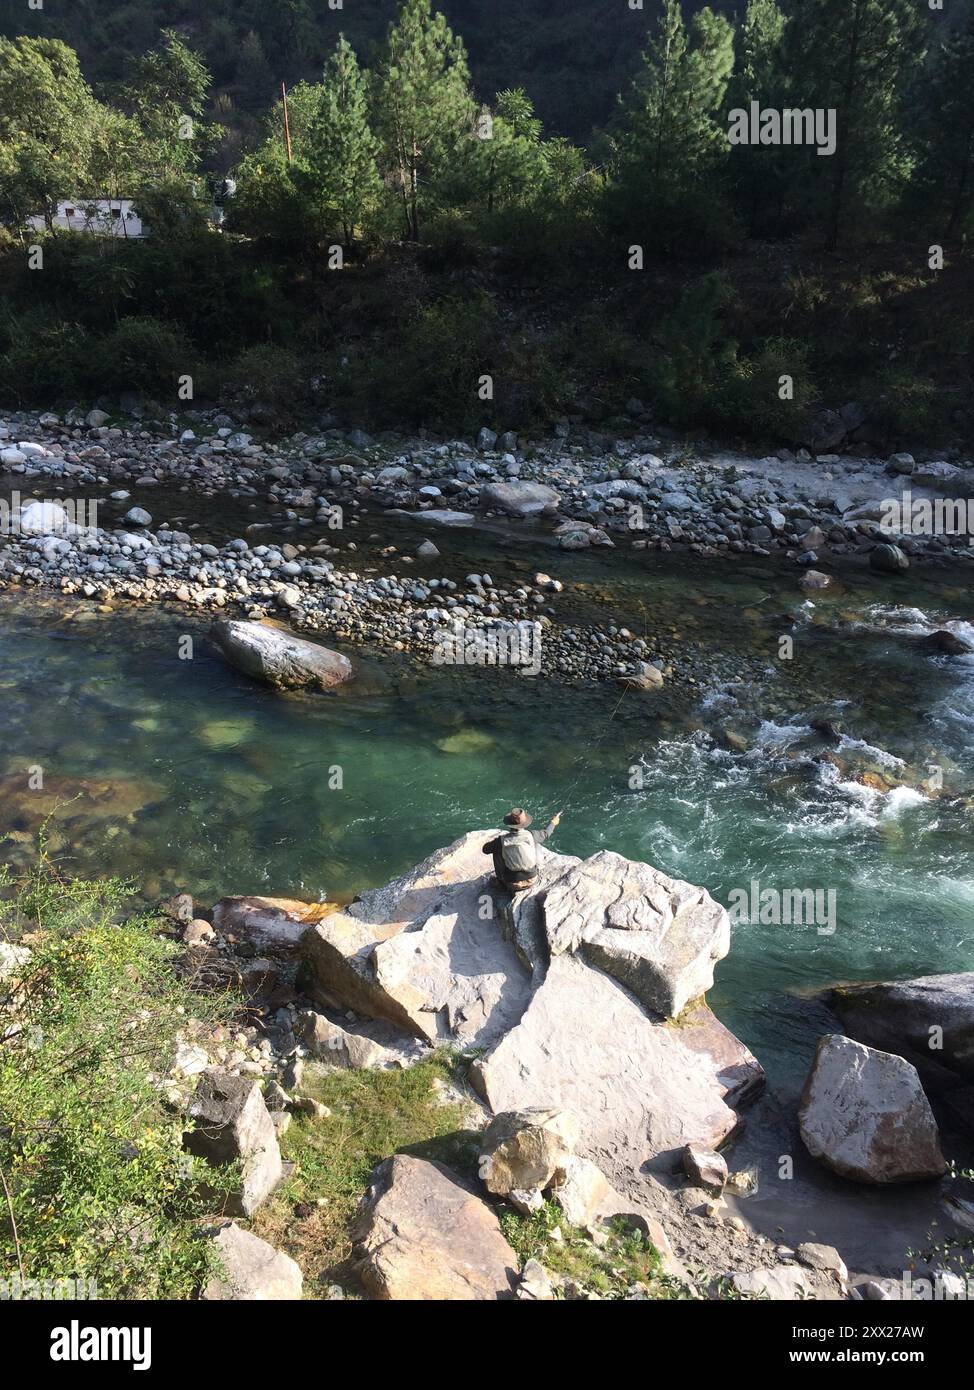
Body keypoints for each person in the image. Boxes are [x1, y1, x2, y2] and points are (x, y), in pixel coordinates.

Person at [483, 808, 562, 893]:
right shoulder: (532, 835)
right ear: (524, 823)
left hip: (512, 883)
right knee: (536, 844)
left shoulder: (501, 841)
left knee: (497, 851)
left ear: (509, 824)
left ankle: (500, 881)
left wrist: (498, 843)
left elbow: (485, 849)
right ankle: (535, 868)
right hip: (532, 880)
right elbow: (546, 833)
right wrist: (553, 822)